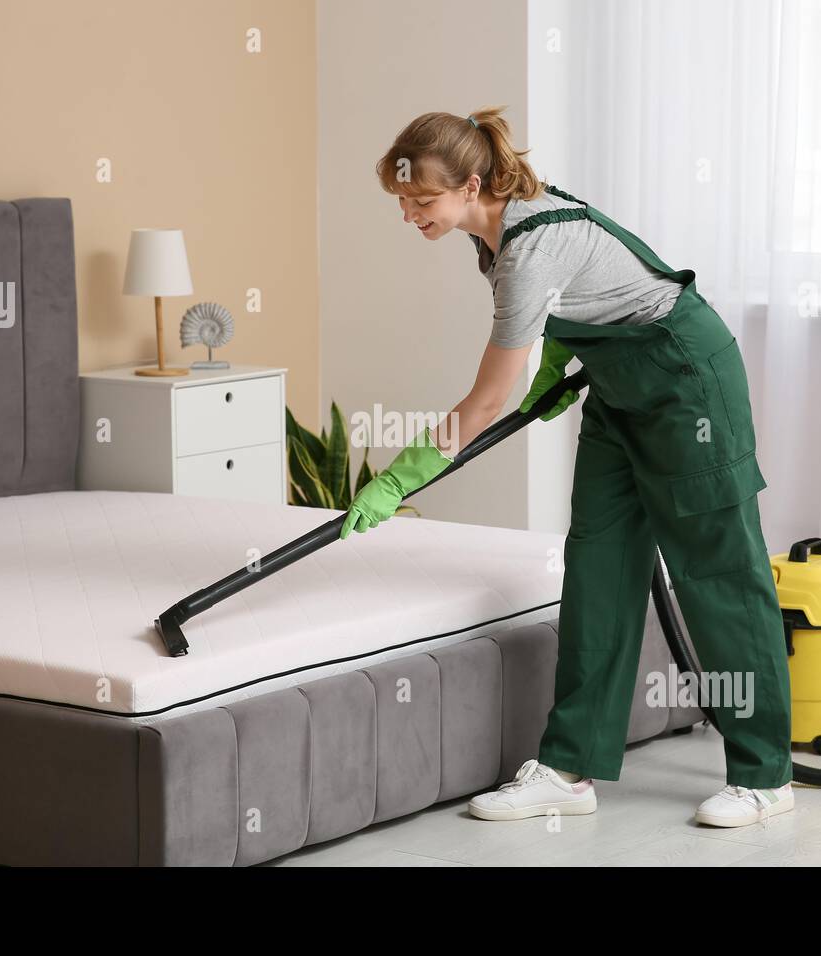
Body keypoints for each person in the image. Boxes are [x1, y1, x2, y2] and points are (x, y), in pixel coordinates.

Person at [340, 107, 794, 829]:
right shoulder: (494, 233)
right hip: (619, 390)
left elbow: (489, 400)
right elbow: (582, 295)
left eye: (422, 200)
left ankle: (766, 774)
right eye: (402, 200)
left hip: (684, 383)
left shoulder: (526, 248)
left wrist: (398, 479)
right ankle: (570, 767)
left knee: (718, 575)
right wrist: (560, 357)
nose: (409, 214)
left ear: (471, 183)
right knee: (599, 568)